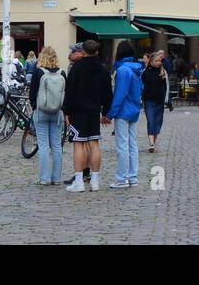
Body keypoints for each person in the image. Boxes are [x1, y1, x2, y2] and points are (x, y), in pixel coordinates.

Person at [63, 41, 112, 192]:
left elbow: (69, 92)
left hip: (78, 111)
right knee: (94, 144)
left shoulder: (77, 68)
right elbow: (108, 93)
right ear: (96, 52)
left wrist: (67, 111)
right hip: (94, 110)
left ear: (83, 51)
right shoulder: (103, 69)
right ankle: (95, 181)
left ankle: (79, 181)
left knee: (79, 144)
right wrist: (105, 112)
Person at [107, 41, 144, 188]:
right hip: (134, 109)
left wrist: (110, 113)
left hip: (123, 111)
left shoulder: (122, 70)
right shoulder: (136, 70)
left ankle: (122, 178)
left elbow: (119, 95)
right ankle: (132, 176)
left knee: (122, 145)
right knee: (132, 144)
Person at [28, 46, 66, 186]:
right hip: (57, 113)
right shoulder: (62, 73)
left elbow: (32, 93)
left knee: (43, 146)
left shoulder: (39, 72)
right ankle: (56, 178)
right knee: (56, 146)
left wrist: (34, 107)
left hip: (42, 111)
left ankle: (44, 178)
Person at [142, 50, 169, 153]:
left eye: (159, 61)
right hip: (149, 100)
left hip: (159, 101)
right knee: (150, 121)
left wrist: (167, 100)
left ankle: (153, 141)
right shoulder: (145, 72)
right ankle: (151, 143)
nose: (158, 62)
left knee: (158, 123)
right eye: (156, 60)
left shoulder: (163, 72)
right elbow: (142, 85)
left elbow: (166, 86)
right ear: (151, 61)